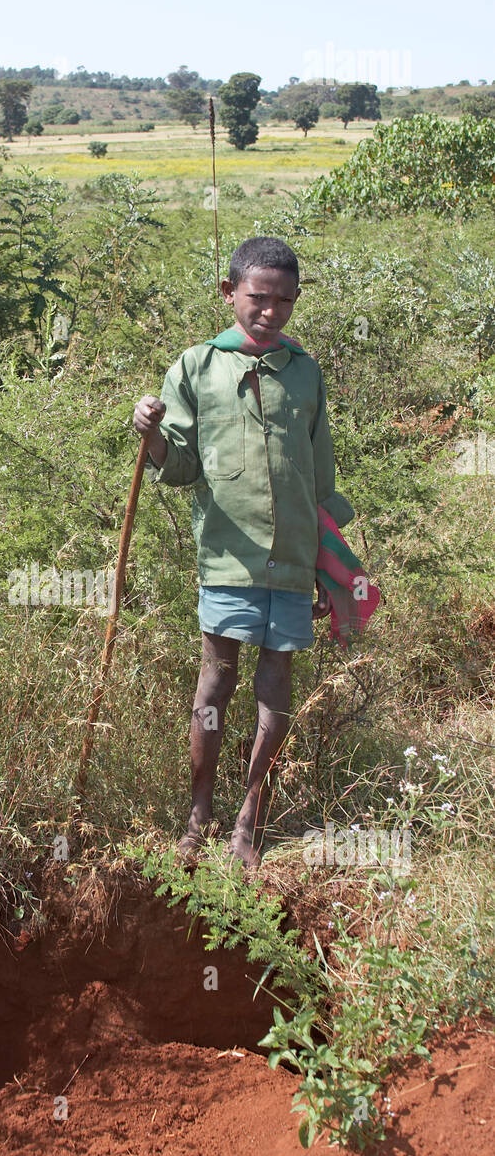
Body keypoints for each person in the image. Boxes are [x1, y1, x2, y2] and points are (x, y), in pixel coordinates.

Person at [132, 236, 354, 873]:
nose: (271, 312)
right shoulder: (198, 367)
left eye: (285, 301)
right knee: (215, 681)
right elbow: (177, 467)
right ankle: (200, 810)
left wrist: (326, 565)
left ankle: (249, 815)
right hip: (229, 558)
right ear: (230, 293)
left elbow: (320, 477)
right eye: (259, 298)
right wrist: (150, 435)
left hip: (293, 558)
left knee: (275, 684)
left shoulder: (304, 371)